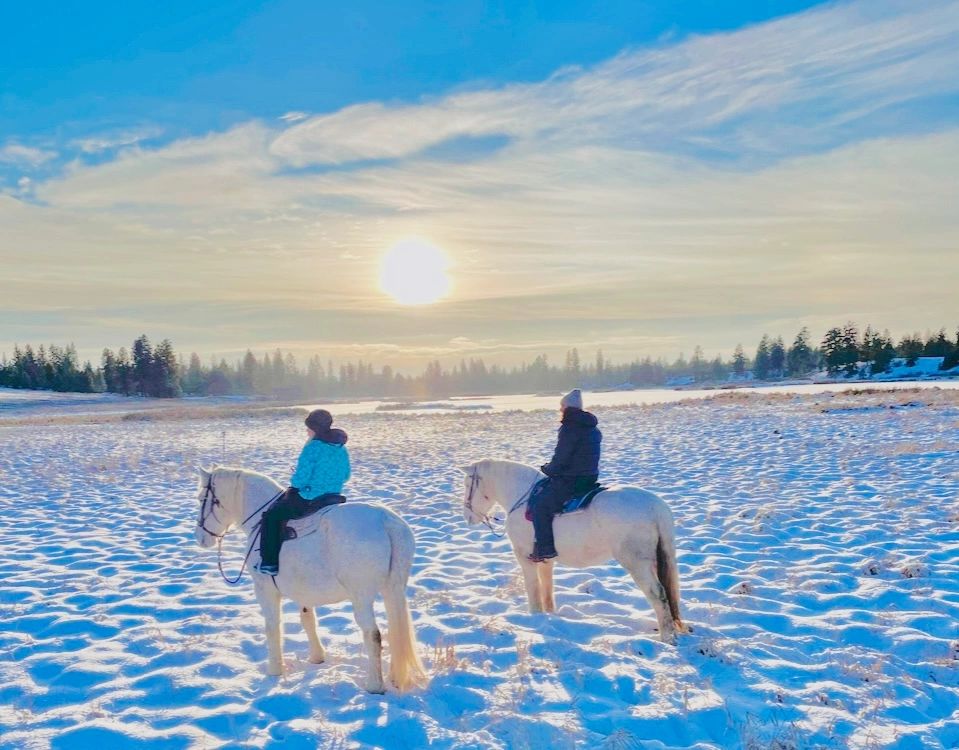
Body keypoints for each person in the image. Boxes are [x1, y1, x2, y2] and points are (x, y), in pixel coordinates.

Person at [256, 409, 351, 575]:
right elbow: (346, 475)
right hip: (334, 497)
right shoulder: (341, 448)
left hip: (311, 497)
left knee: (271, 516)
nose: (307, 431)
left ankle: (269, 563)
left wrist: (296, 484)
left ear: (316, 428)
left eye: (309, 428)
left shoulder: (313, 447)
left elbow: (301, 478)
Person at [528, 389, 602, 563]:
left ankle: (545, 549)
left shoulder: (570, 427)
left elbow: (562, 456)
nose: (560, 409)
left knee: (540, 506)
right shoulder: (592, 428)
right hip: (590, 477)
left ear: (567, 407)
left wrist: (549, 469)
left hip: (572, 479)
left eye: (562, 406)